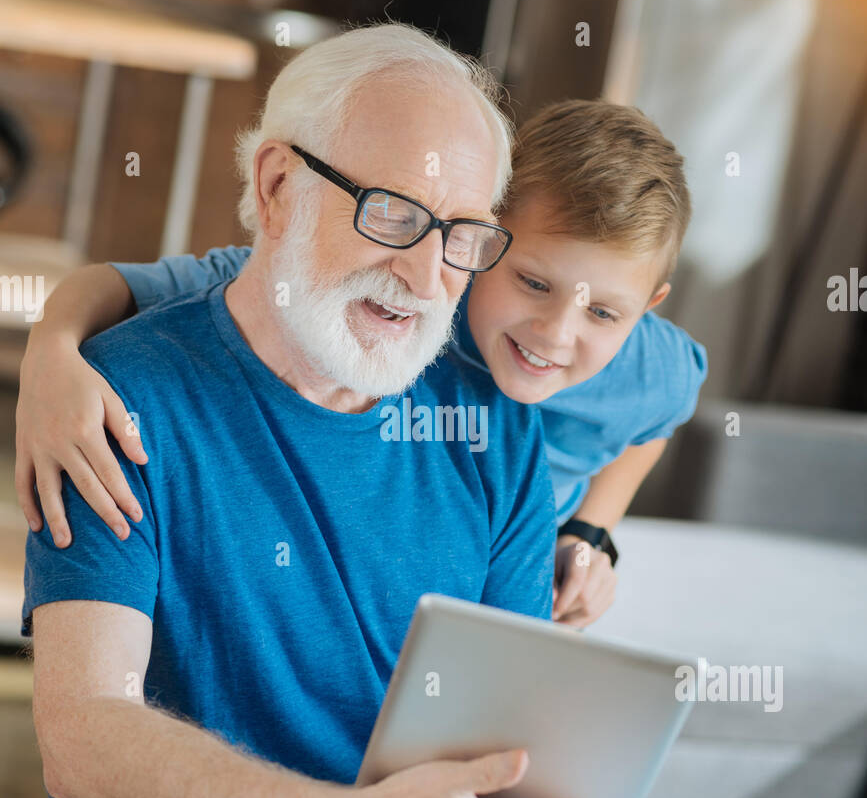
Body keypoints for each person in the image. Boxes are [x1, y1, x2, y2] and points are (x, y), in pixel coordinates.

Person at [21, 22, 622, 798]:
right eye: (392, 214)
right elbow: (83, 735)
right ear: (275, 187)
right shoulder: (118, 398)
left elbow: (502, 750)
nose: (425, 276)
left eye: (461, 234)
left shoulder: (496, 425)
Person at [18, 101, 707, 630]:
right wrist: (50, 353)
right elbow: (130, 284)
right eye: (530, 282)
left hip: (498, 582)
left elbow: (659, 418)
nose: (554, 334)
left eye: (603, 315)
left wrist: (592, 528)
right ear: (478, 231)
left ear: (646, 308)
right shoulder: (402, 294)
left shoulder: (648, 365)